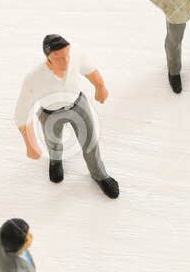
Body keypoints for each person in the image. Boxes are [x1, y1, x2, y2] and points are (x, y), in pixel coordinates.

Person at [13, 34, 118, 198]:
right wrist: (30, 143)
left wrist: (100, 86)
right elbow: (22, 112)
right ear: (48, 58)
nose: (66, 61)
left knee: (90, 142)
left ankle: (99, 174)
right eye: (58, 57)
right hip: (49, 113)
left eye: (67, 55)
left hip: (78, 105)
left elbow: (90, 70)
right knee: (53, 142)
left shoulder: (76, 54)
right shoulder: (34, 78)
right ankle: (55, 161)